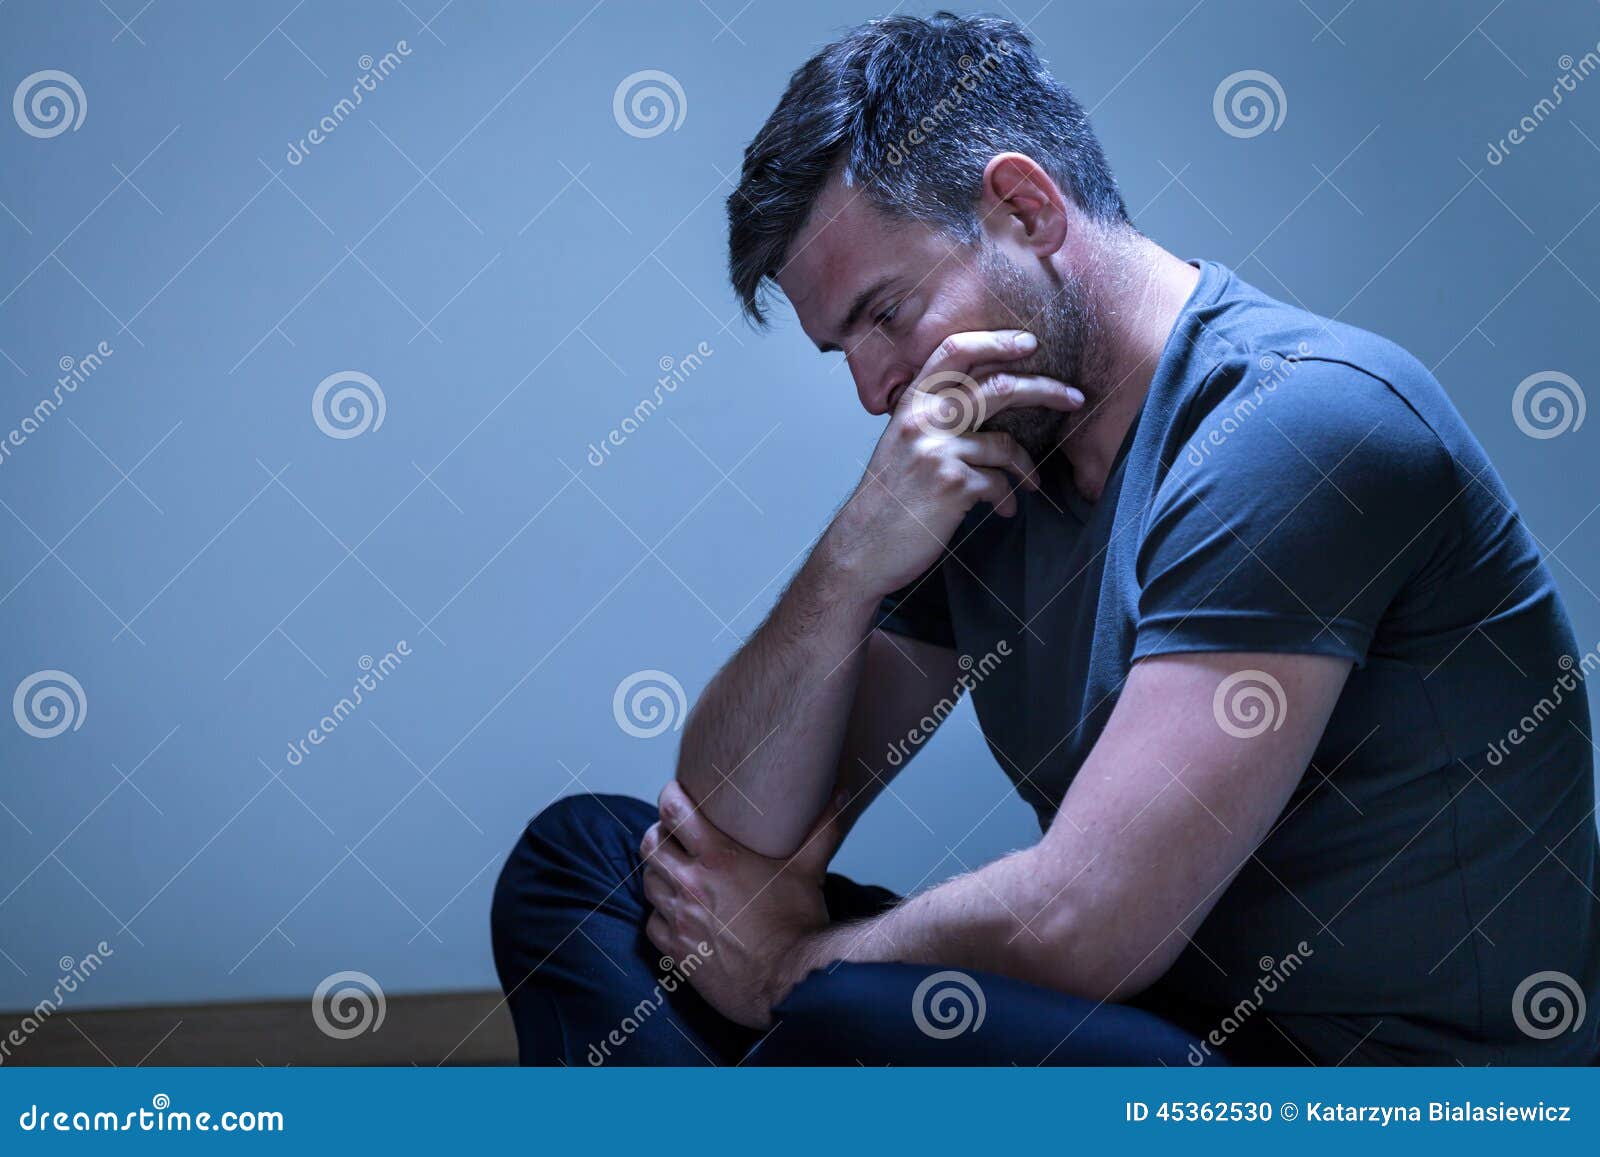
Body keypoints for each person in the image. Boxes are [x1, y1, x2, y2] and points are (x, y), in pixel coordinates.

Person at [492, 12, 1600, 1066]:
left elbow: (1086, 922)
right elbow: (733, 831)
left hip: (1370, 1084)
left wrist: (784, 968)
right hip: (1149, 1026)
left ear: (1025, 209)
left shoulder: (1300, 426)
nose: (878, 389)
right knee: (584, 862)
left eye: (885, 313)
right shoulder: (992, 448)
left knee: (845, 1016)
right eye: (842, 350)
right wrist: (850, 559)